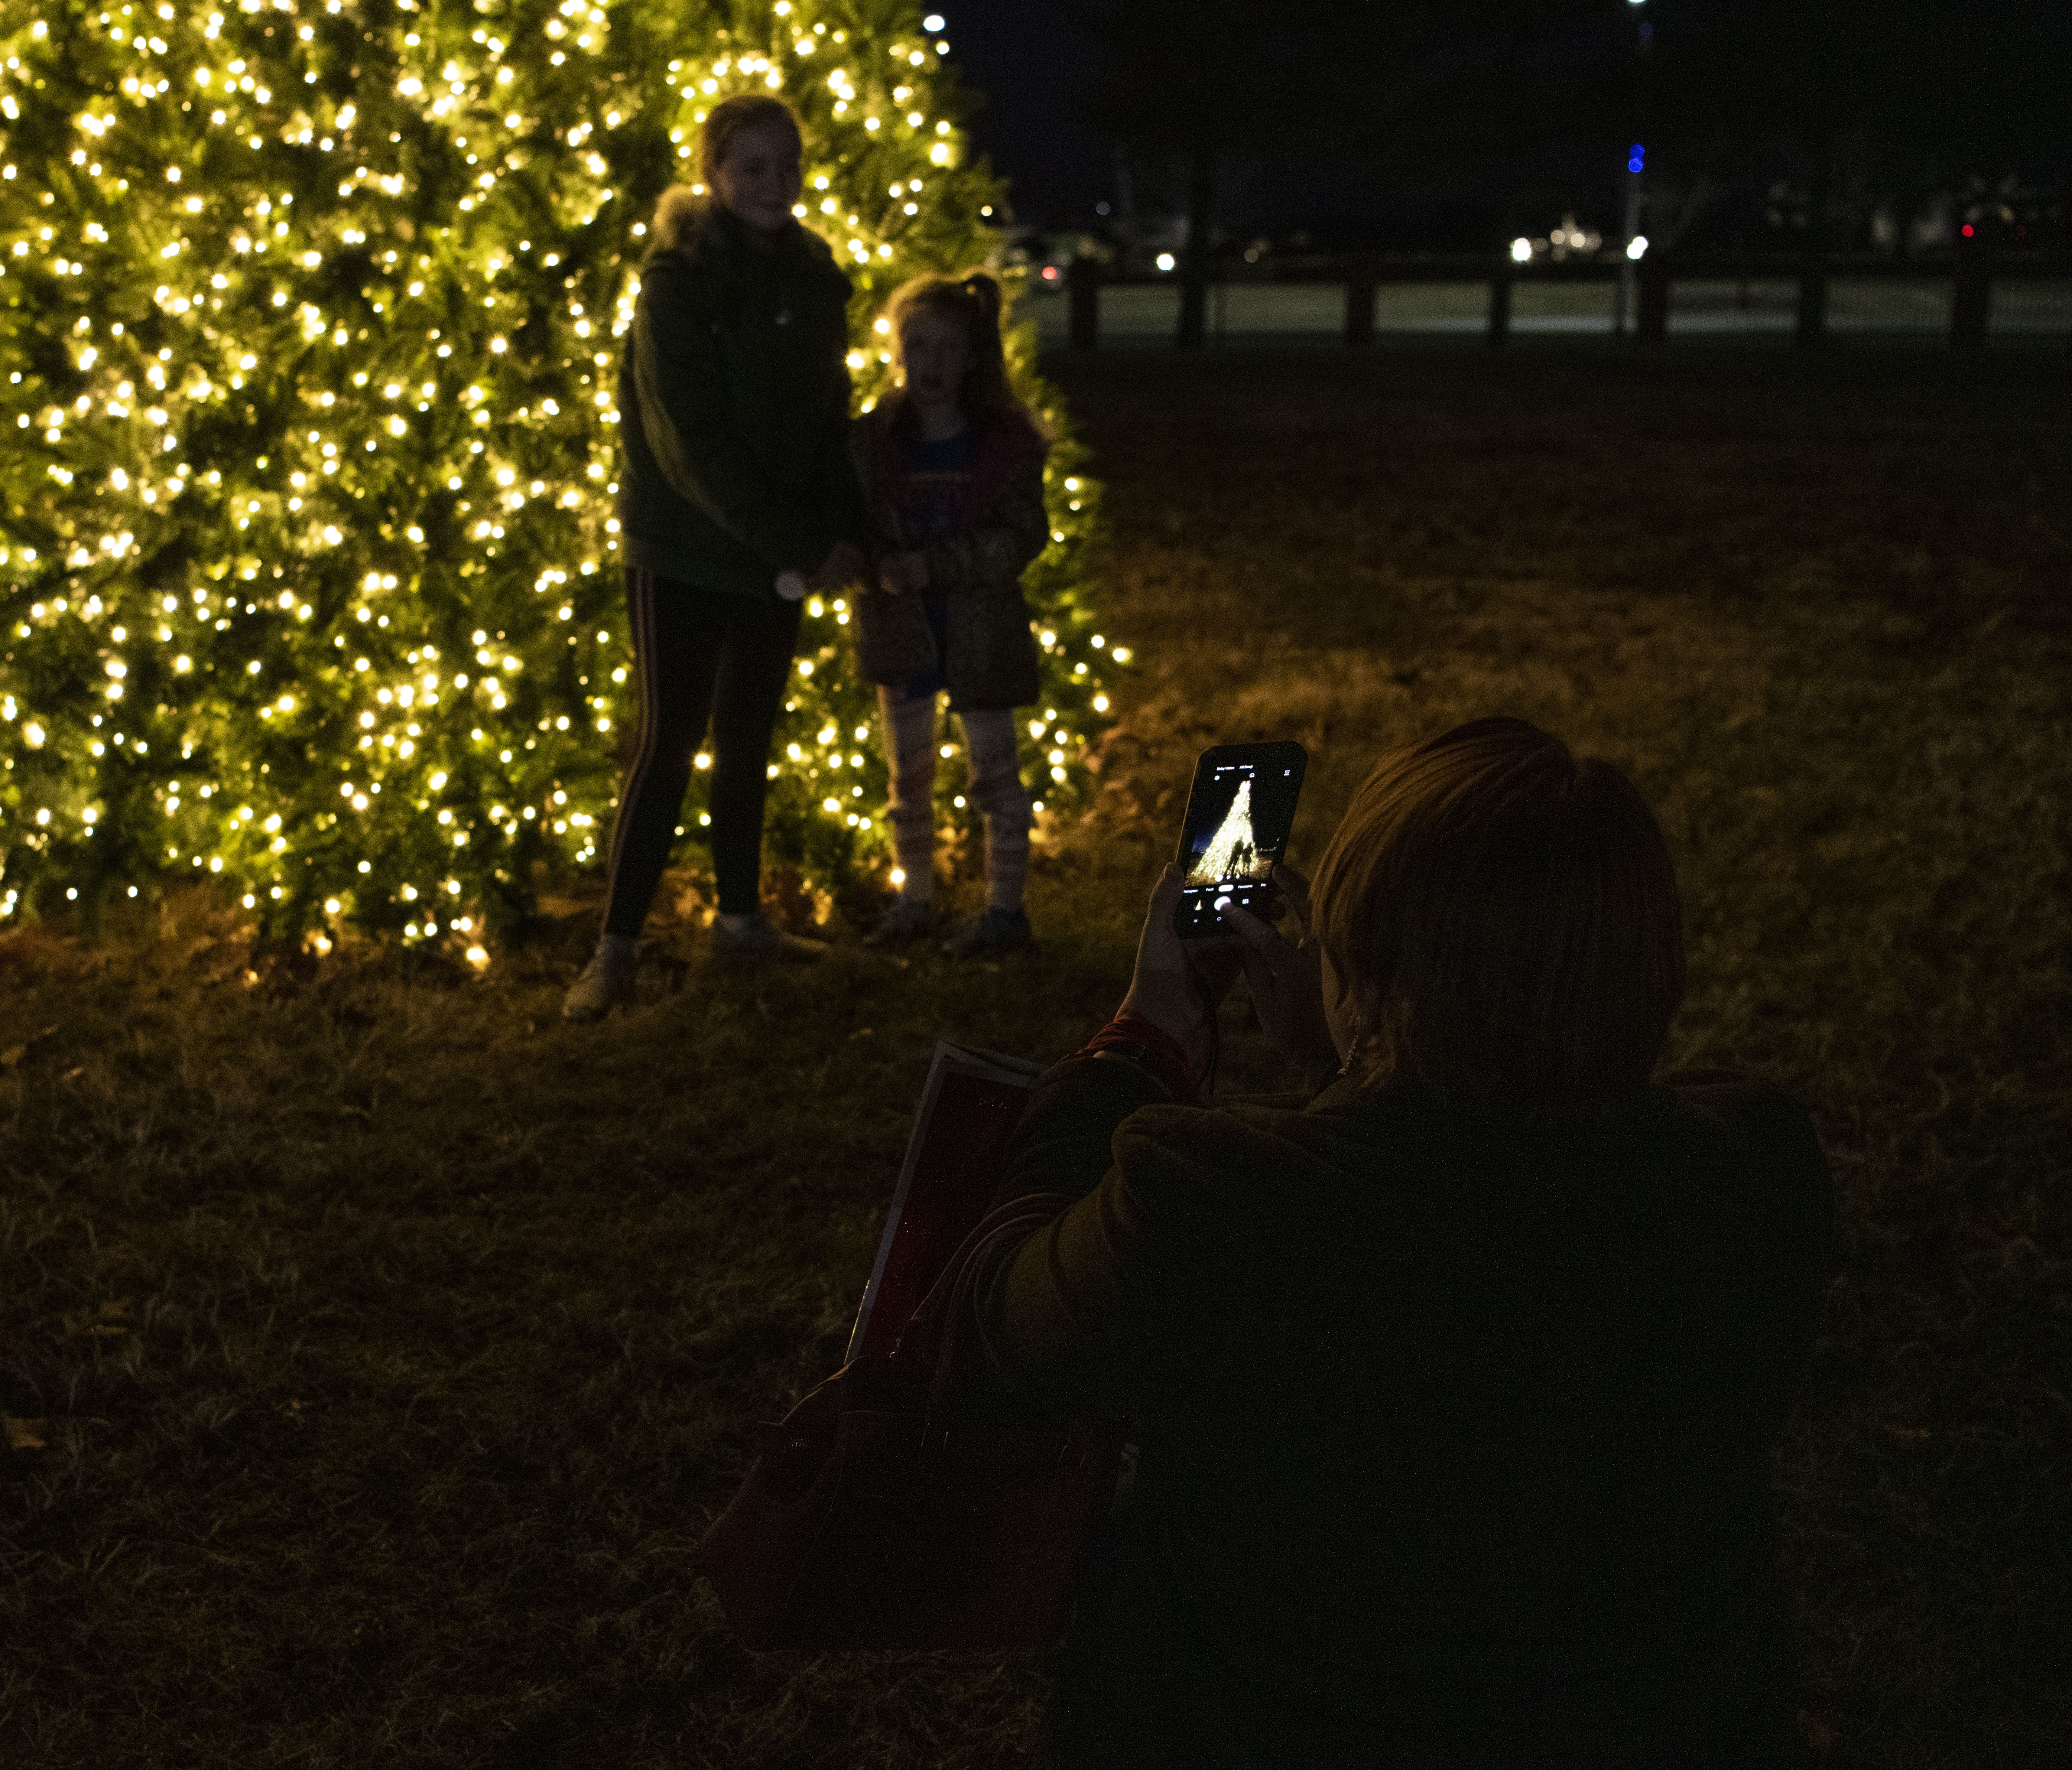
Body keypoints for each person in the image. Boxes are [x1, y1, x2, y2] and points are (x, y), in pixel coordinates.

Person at [967, 717, 1832, 1767]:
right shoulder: (1748, 1174)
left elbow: (1000, 1322)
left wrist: (1140, 1033)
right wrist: (1351, 1064)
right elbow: (1489, 1177)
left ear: (1364, 970)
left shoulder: (1215, 1206)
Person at [563, 94, 867, 1022]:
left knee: (748, 737)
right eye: (751, 169)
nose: (773, 186)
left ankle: (739, 918)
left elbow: (826, 411)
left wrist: (841, 526)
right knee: (668, 741)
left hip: (778, 559)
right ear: (714, 176)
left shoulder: (813, 277)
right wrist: (799, 543)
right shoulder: (677, 282)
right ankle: (614, 947)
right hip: (686, 552)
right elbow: (689, 443)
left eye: (787, 166)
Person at [850, 274, 1049, 957]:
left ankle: (1004, 911)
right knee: (908, 779)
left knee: (995, 777)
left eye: (946, 347)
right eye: (916, 345)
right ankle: (915, 899)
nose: (929, 362)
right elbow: (852, 525)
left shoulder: (1003, 449)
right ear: (896, 351)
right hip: (903, 636)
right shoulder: (873, 445)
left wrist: (937, 566)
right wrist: (874, 564)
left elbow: (1020, 536)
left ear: (971, 357)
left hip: (979, 638)